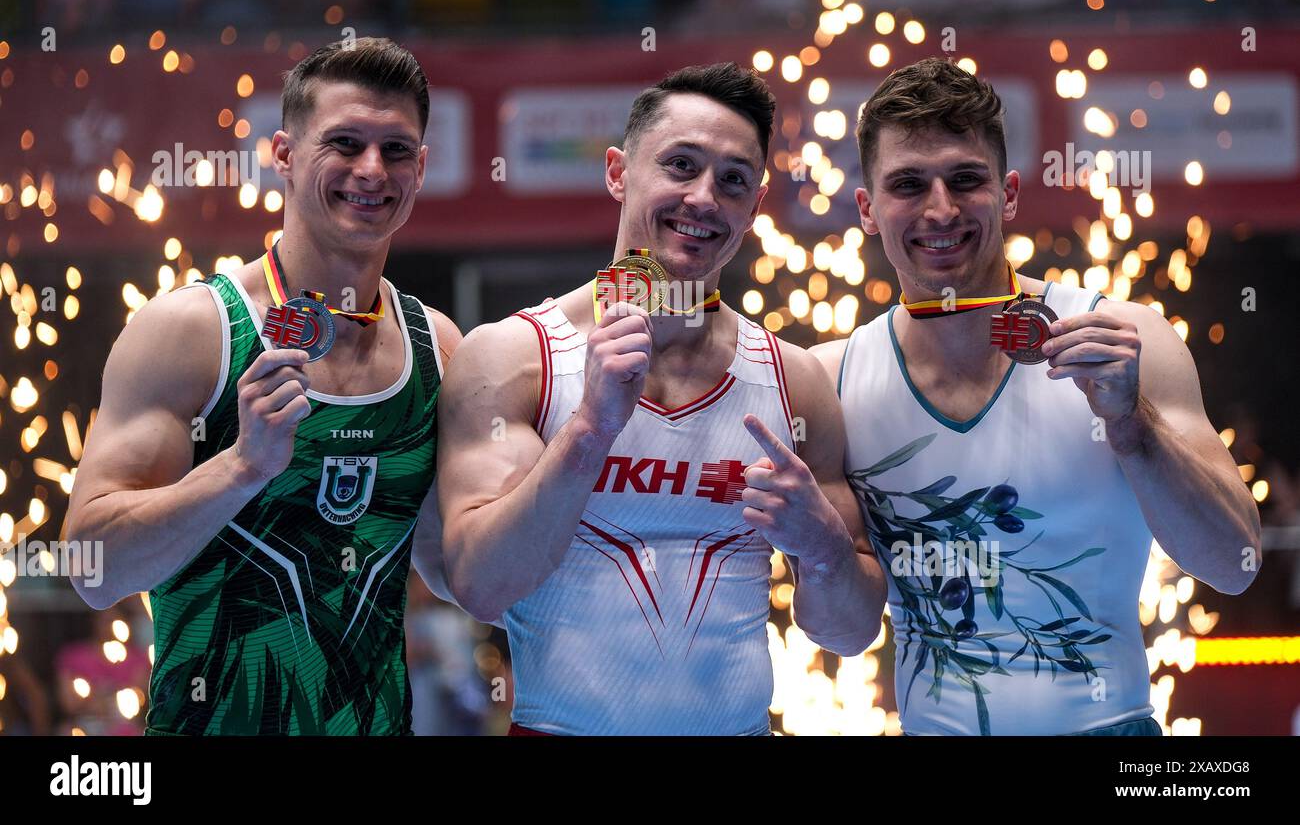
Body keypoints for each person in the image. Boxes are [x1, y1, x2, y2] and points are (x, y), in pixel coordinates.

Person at [812, 57, 1261, 735]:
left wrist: (1132, 428)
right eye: (909, 184)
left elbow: (1234, 566)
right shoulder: (832, 381)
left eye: (966, 179)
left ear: (1010, 193)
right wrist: (808, 542)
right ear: (868, 209)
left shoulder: (1126, 337)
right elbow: (841, 635)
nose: (941, 208)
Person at [437, 62, 886, 735]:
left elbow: (847, 634)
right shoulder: (514, 359)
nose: (704, 198)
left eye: (733, 180)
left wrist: (821, 545)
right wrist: (589, 430)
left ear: (754, 206)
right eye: (681, 166)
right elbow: (481, 586)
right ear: (619, 172)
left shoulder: (794, 381)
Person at [66, 37, 461, 735]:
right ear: (282, 155)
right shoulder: (190, 332)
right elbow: (91, 570)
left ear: (422, 167)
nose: (372, 171)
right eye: (344, 143)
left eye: (396, 150)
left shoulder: (440, 349)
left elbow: (468, 575)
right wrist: (241, 468)